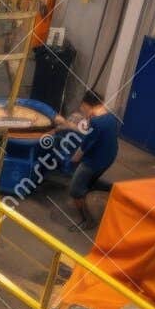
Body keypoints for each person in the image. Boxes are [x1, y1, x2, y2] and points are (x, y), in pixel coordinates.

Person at [53, 88, 121, 229]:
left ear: (87, 104)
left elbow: (83, 148)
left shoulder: (96, 122)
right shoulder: (111, 117)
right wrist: (69, 124)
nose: (82, 110)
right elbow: (91, 134)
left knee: (75, 190)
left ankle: (88, 220)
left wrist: (72, 160)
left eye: (83, 107)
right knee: (90, 182)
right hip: (109, 156)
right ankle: (115, 189)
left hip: (94, 161)